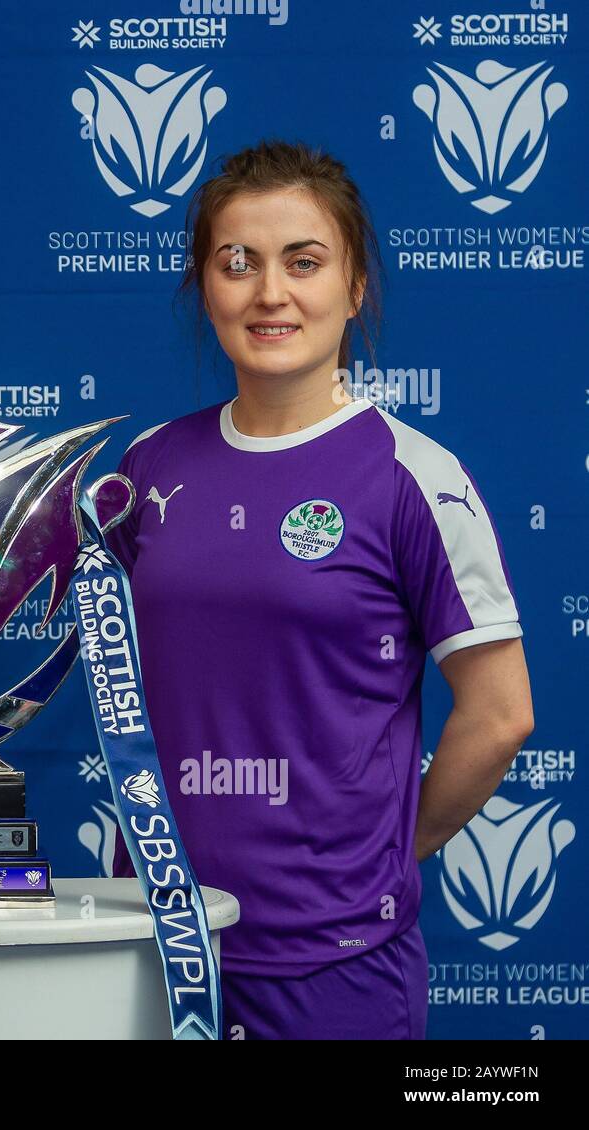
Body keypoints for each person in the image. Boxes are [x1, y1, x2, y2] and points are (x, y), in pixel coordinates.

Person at [109, 140, 533, 1040]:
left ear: (355, 287)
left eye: (304, 262)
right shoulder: (147, 469)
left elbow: (500, 716)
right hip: (154, 943)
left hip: (334, 969)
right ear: (204, 287)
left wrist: (386, 852)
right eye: (238, 263)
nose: (271, 294)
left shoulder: (414, 476)